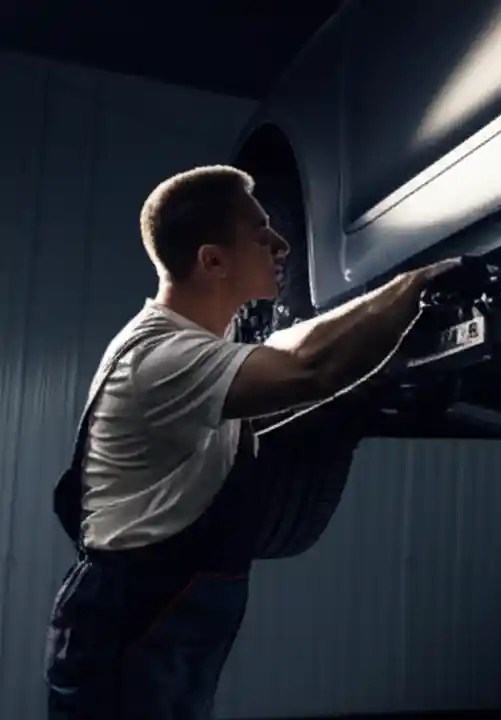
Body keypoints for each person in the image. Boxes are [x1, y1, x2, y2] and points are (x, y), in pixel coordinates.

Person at [44, 165, 461, 719]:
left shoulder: (196, 344)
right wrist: (414, 287)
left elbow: (289, 342)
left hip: (154, 620)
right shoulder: (161, 359)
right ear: (213, 261)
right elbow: (306, 367)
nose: (281, 242)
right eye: (261, 232)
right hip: (127, 627)